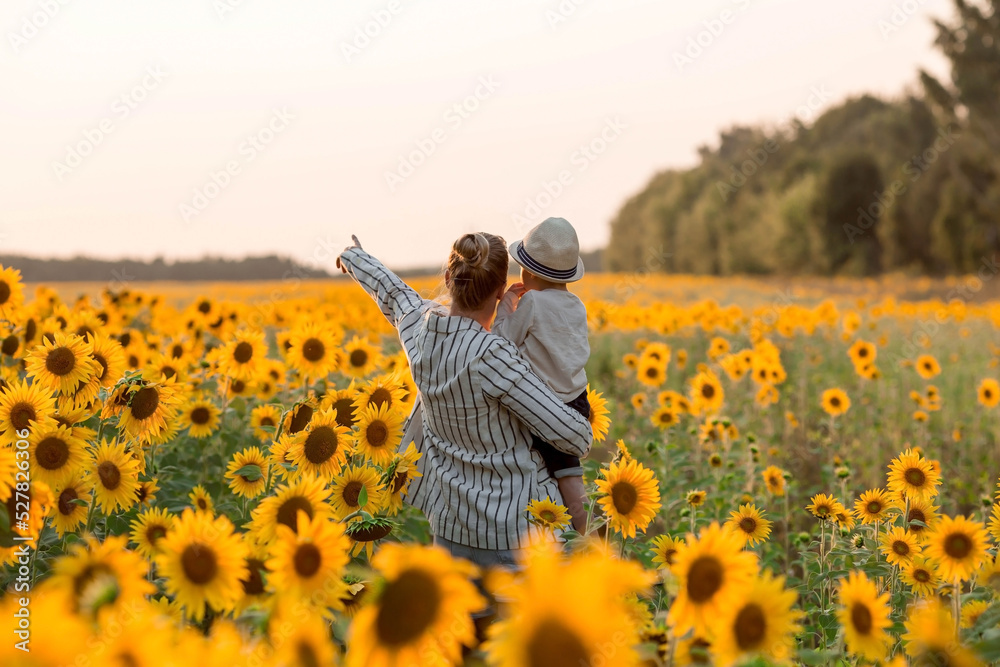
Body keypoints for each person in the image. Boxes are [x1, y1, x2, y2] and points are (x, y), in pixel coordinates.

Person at [336, 233, 593, 568]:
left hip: (452, 533)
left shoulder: (422, 330)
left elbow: (393, 293)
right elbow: (576, 437)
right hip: (520, 538)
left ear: (448, 277)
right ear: (501, 291)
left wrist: (355, 257)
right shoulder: (494, 356)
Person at [492, 217, 591, 532]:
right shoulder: (576, 305)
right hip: (578, 401)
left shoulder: (531, 301)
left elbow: (501, 342)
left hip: (546, 406)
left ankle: (581, 541)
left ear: (528, 271)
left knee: (542, 474)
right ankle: (595, 537)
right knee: (570, 476)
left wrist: (507, 306)